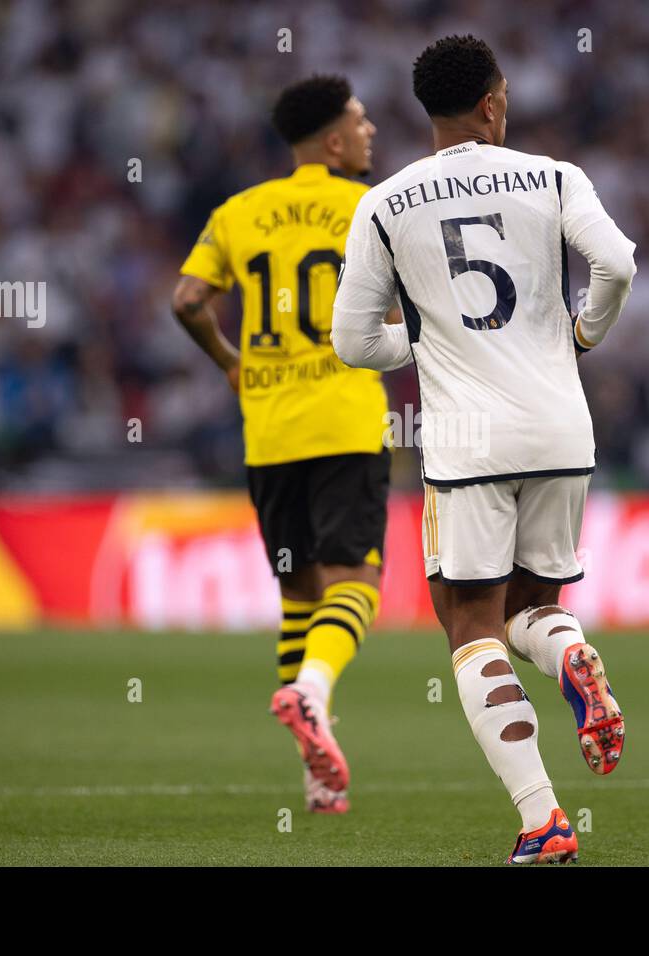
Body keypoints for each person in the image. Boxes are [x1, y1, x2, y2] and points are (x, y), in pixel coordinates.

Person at [332, 35, 636, 863]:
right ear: (494, 104)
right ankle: (570, 652)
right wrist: (582, 332)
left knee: (471, 626)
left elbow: (353, 342)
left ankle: (543, 818)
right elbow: (615, 262)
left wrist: (426, 342)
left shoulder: (386, 203)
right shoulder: (554, 177)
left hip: (468, 439)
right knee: (536, 608)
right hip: (561, 429)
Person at [171, 75, 393, 814]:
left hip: (268, 433)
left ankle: (314, 774)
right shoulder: (369, 207)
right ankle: (309, 691)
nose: (369, 133)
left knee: (299, 594)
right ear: (333, 141)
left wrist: (231, 362)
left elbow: (188, 301)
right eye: (360, 124)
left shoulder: (239, 211)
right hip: (345, 421)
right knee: (355, 583)